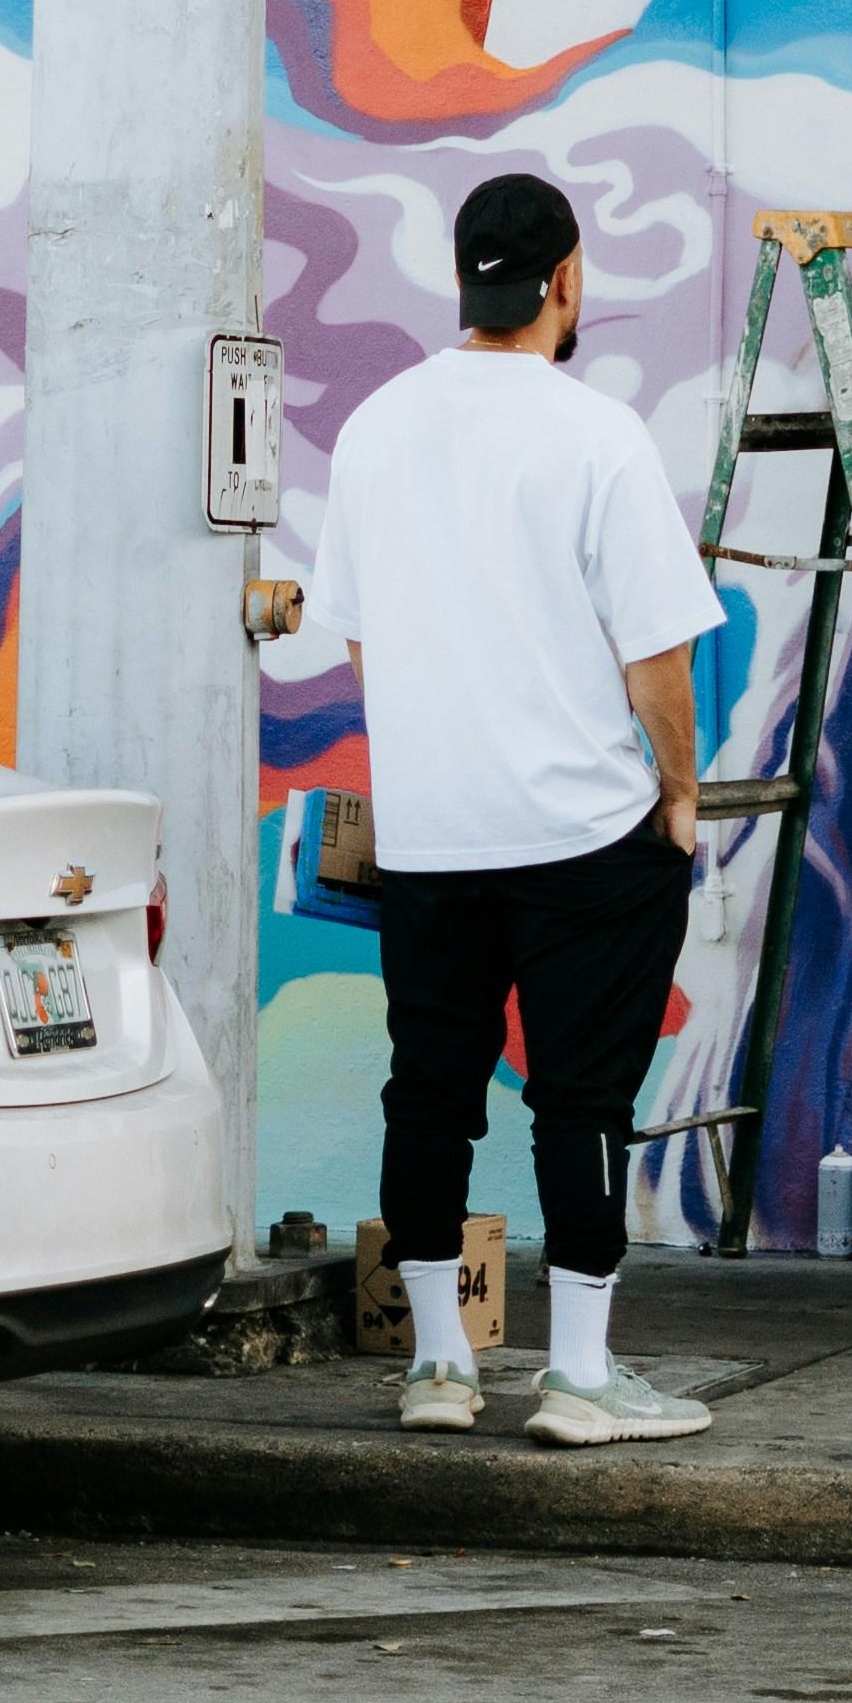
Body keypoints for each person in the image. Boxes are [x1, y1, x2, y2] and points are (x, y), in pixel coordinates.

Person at [311, 170, 727, 1446]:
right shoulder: (596, 433)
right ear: (567, 281)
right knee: (582, 1098)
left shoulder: (377, 426)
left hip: (434, 833)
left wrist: (429, 770)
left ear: (462, 279)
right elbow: (657, 654)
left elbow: (368, 642)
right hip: (582, 835)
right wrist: (679, 787)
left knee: (427, 1090)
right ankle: (582, 1376)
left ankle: (439, 1365)